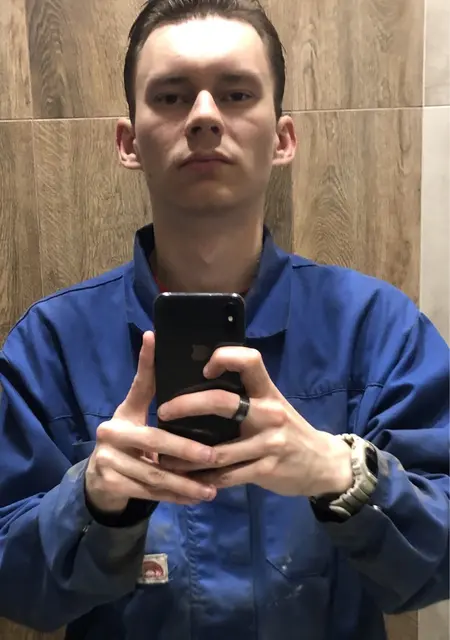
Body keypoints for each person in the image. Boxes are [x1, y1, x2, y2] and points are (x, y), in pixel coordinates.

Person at [0, 1, 448, 638]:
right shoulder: (50, 345)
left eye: (237, 94)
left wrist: (342, 476)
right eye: (172, 96)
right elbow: (11, 582)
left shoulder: (379, 330)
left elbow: (440, 561)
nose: (205, 116)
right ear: (129, 142)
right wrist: (92, 501)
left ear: (282, 138)